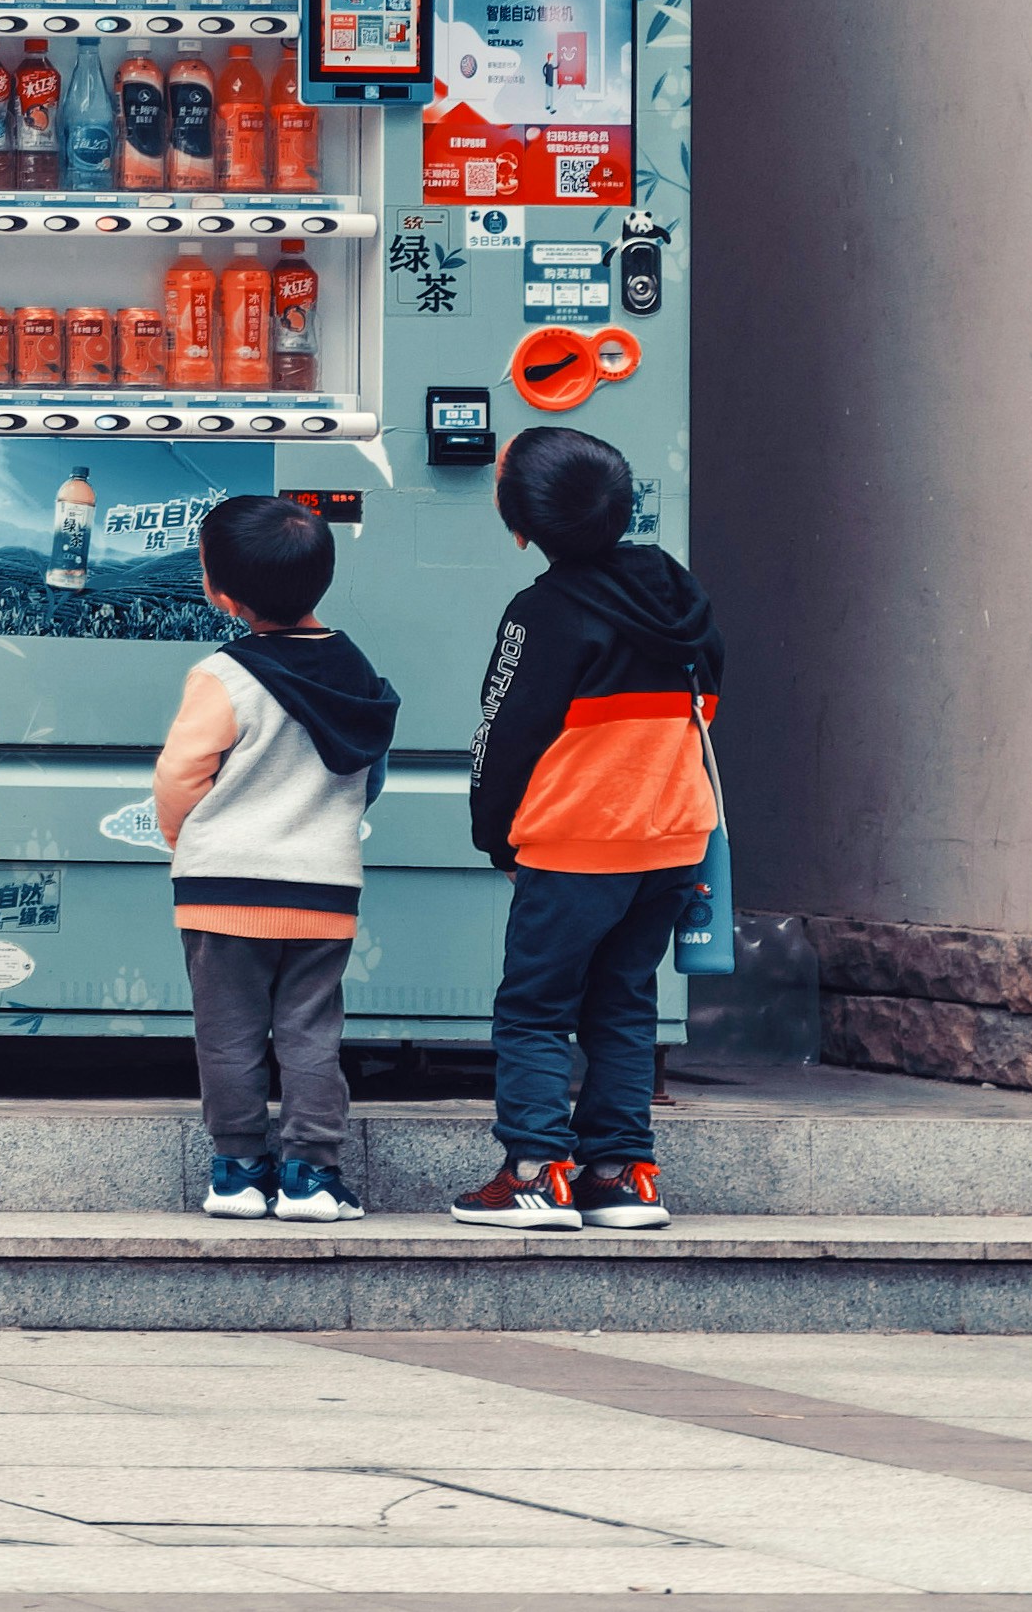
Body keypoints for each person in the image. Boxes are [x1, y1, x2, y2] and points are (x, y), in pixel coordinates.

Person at [452, 428, 724, 1231]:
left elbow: (502, 736)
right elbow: (707, 706)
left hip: (574, 842)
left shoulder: (542, 612)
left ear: (519, 524)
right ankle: (620, 1174)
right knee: (623, 1000)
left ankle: (534, 1170)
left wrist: (495, 836)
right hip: (672, 837)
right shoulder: (682, 598)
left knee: (535, 1007)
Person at [155, 494, 399, 1222]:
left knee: (227, 1035)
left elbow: (178, 774)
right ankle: (311, 1175)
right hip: (322, 888)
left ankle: (235, 1171)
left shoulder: (223, 676)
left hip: (221, 886)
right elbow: (370, 772)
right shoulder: (356, 672)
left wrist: (181, 835)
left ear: (220, 592)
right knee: (310, 1033)